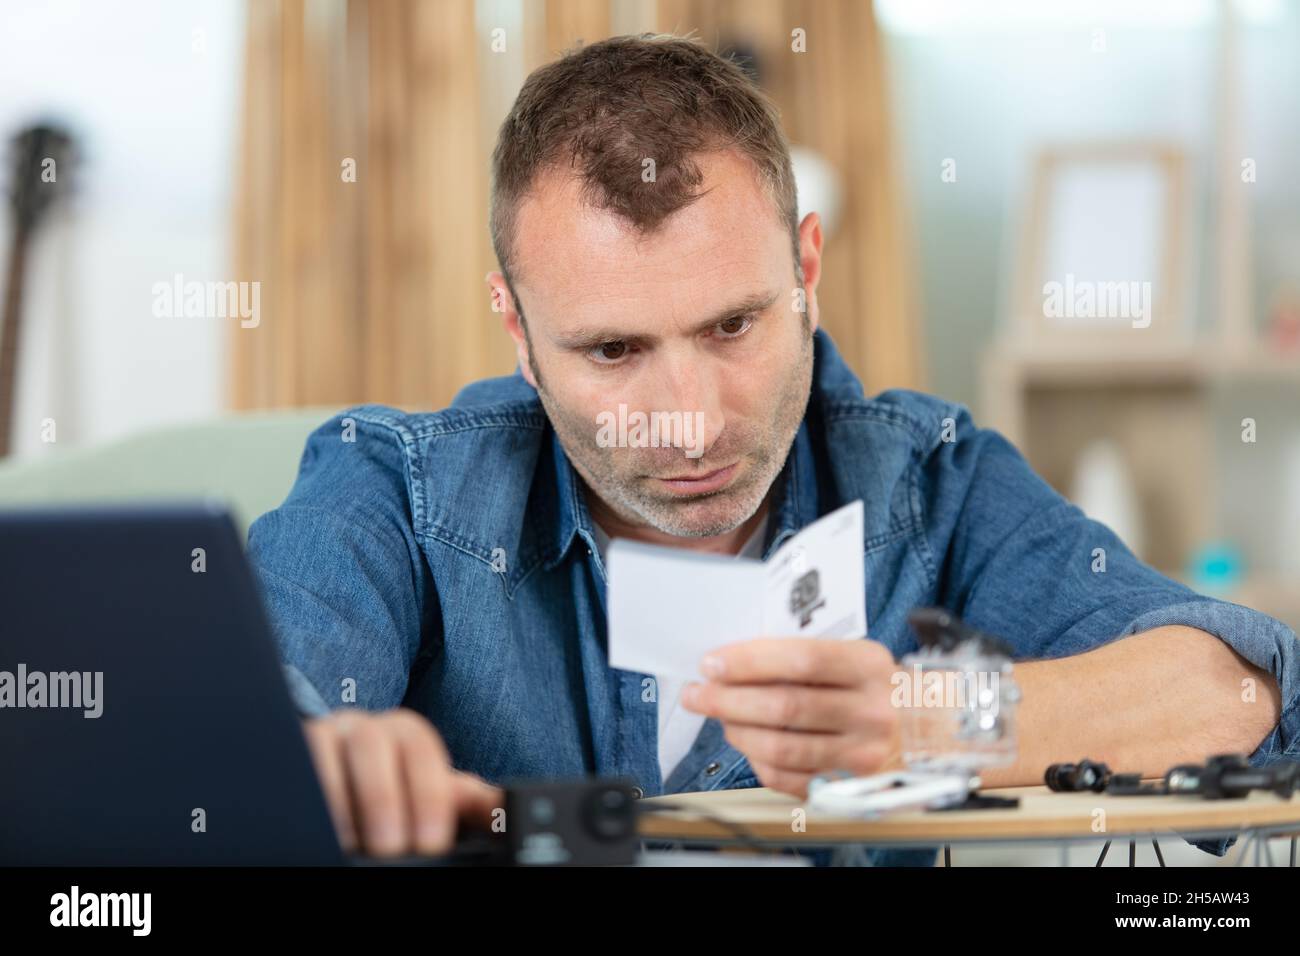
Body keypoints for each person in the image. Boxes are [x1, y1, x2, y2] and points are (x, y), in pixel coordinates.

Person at [248, 34, 1297, 862]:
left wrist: (933, 718)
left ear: (805, 269)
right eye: (613, 349)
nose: (692, 419)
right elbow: (236, 726)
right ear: (517, 329)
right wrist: (311, 763)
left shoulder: (932, 479)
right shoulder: (397, 489)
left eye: (733, 326)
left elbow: (1236, 690)